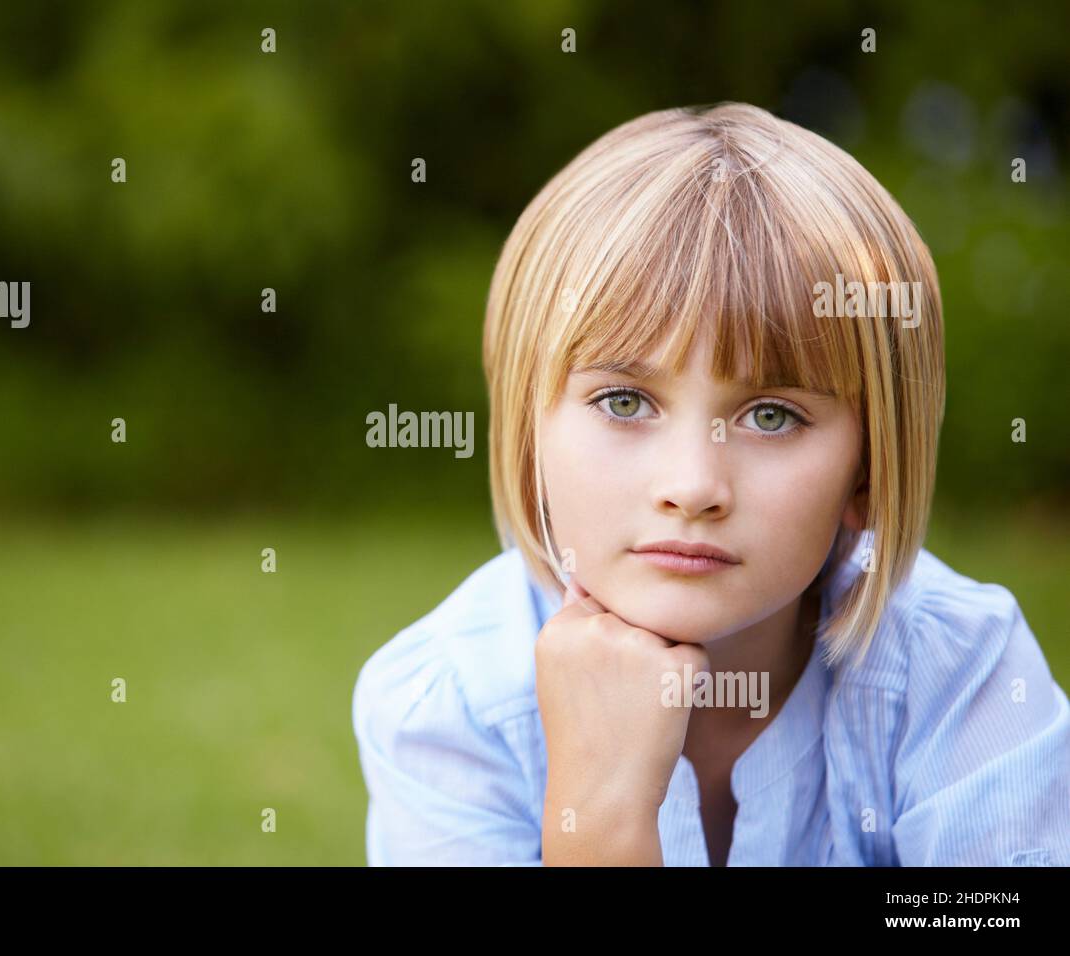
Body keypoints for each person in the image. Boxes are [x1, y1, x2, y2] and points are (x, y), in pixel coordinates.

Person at [352, 103, 1070, 866]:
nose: (693, 487)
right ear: (530, 441)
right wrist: (601, 810)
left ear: (868, 470)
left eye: (770, 416)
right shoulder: (451, 701)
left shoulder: (958, 671)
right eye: (624, 402)